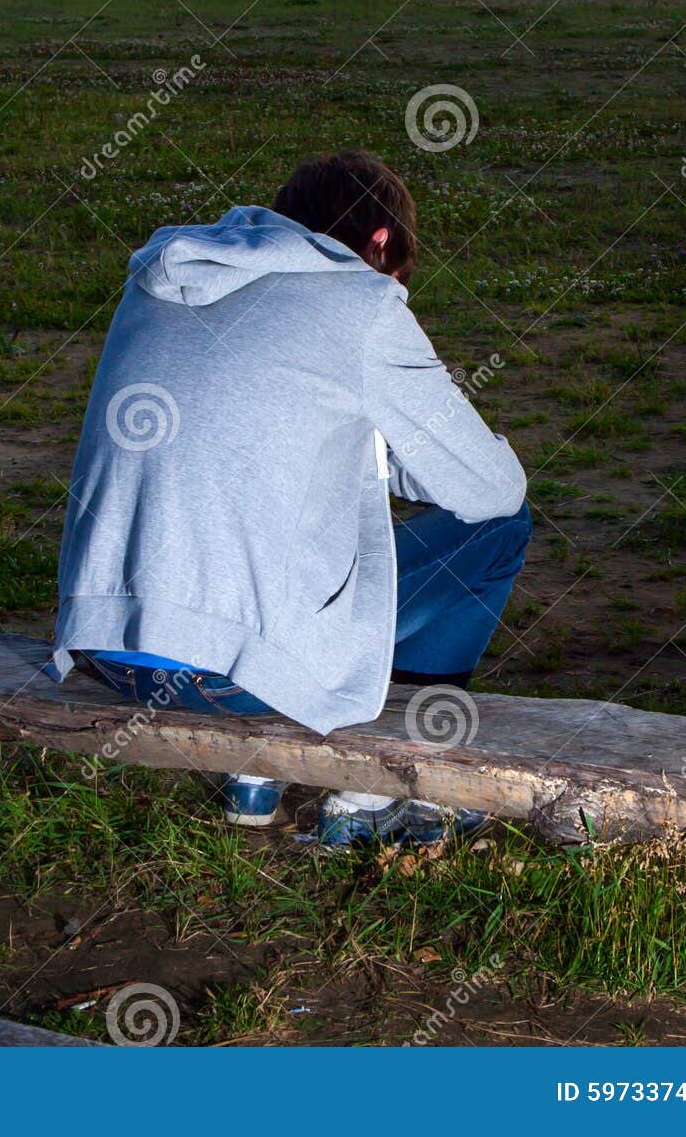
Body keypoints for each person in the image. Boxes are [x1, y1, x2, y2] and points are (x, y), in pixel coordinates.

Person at [47, 150, 531, 846]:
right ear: (381, 242)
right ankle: (382, 780)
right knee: (500, 528)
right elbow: (488, 488)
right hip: (225, 678)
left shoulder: (161, 278)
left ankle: (254, 775)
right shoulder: (363, 302)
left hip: (105, 642)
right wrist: (412, 455)